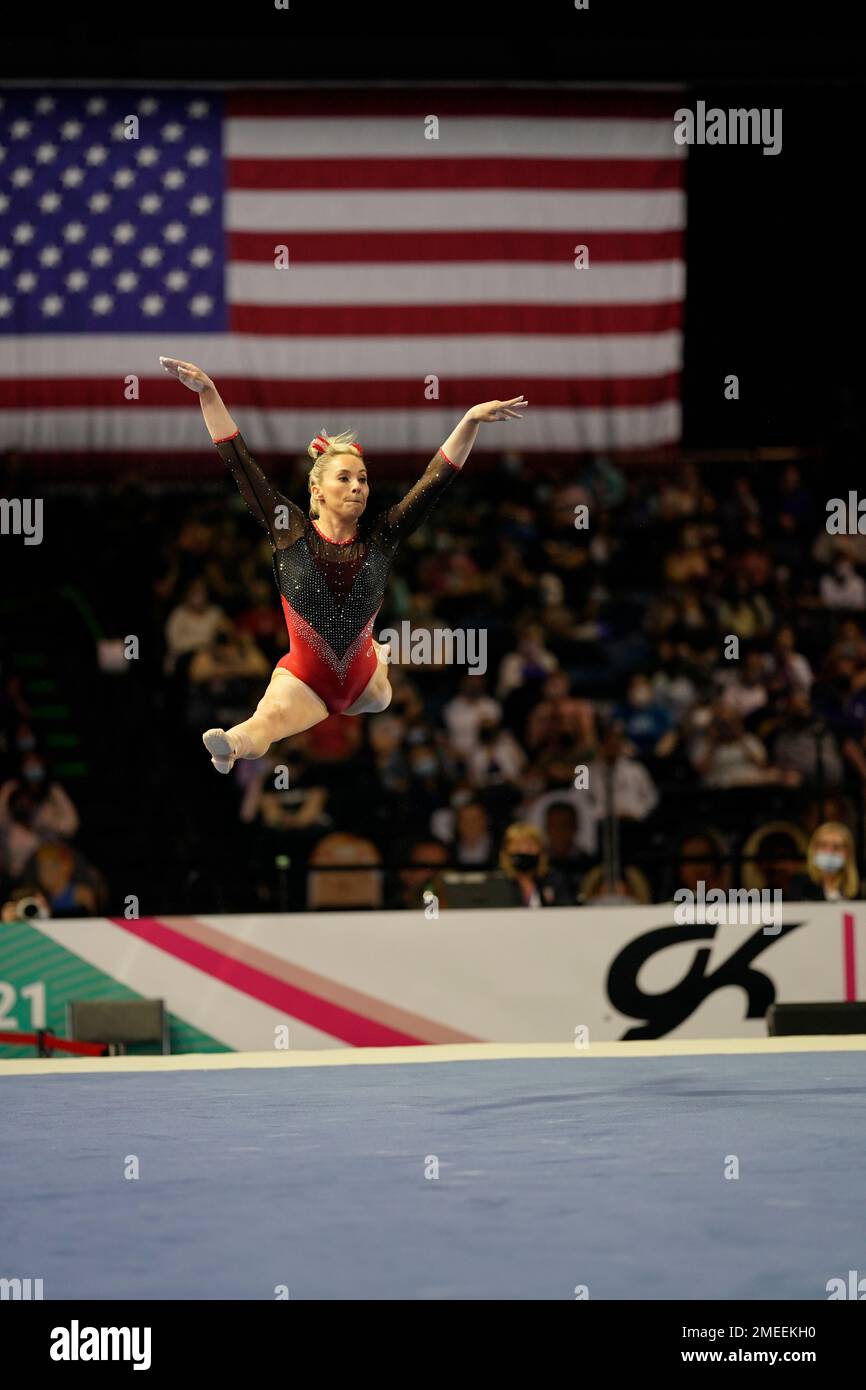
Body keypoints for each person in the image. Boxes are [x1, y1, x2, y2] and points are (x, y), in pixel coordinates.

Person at [160, 356, 527, 772]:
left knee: (382, 693)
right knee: (268, 720)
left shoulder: (380, 538)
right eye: (345, 478)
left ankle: (380, 653)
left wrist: (469, 421)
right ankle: (231, 744)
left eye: (363, 479)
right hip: (306, 682)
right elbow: (239, 463)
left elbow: (434, 481)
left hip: (366, 682)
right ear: (316, 490)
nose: (357, 487)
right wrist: (210, 394)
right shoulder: (290, 532)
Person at [787, 822, 860, 901]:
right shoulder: (799, 883)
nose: (830, 852)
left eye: (837, 847)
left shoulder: (857, 888)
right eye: (823, 845)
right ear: (814, 850)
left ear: (848, 853)